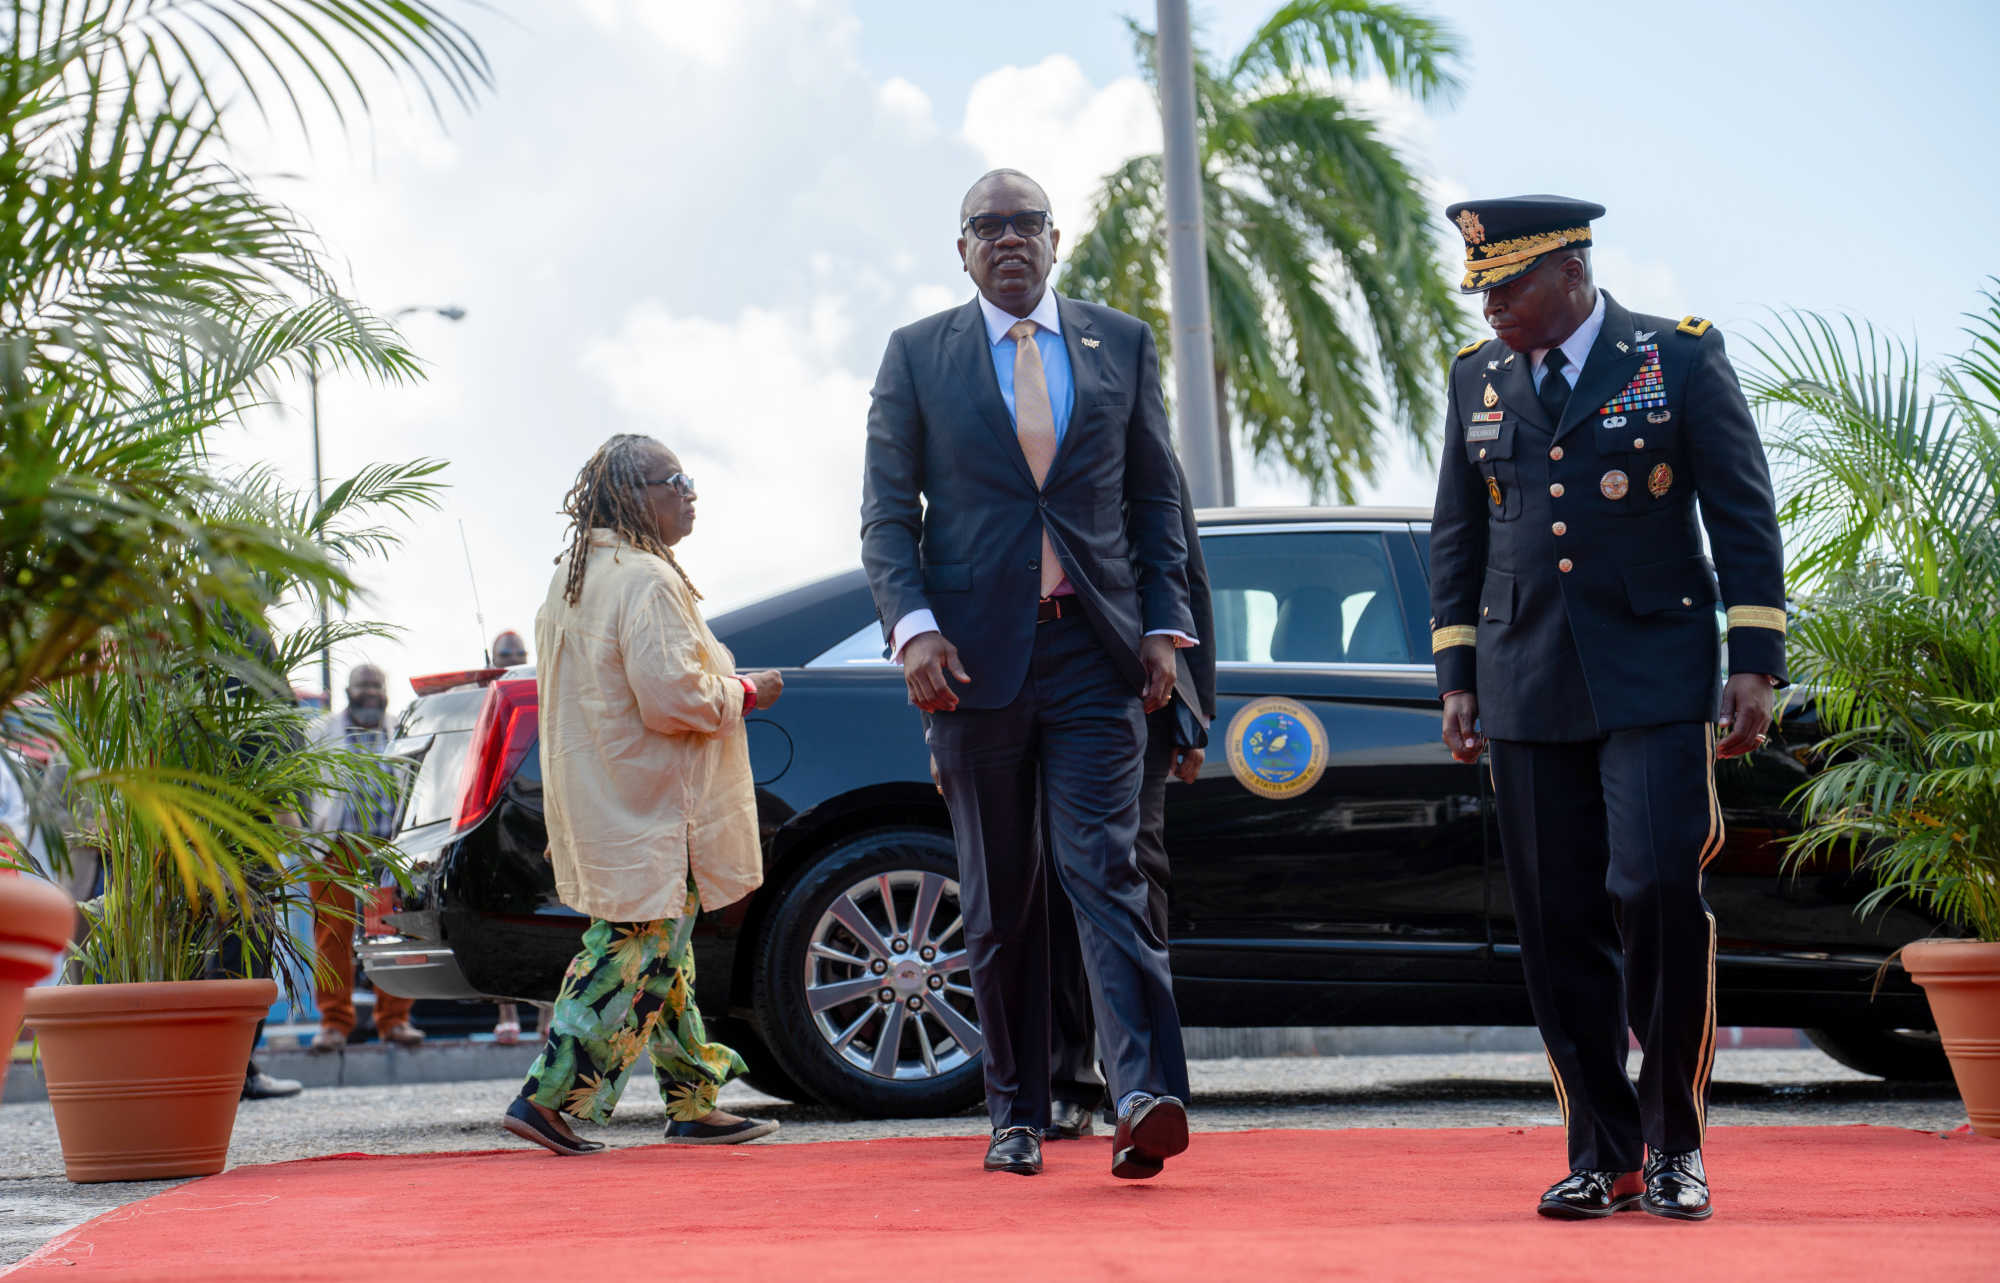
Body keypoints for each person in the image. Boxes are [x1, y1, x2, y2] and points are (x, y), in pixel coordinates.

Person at [1428, 195, 1786, 1222]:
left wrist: (1752, 658)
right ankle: (1604, 1150)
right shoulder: (1476, 377)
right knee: (1553, 920)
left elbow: (1739, 511)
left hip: (1650, 674)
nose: (1490, 306)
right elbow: (1459, 537)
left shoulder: (1672, 356)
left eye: (1507, 286)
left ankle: (1673, 1141)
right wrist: (1458, 675)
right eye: (1480, 289)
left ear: (1571, 271)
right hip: (1523, 679)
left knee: (1655, 892)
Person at [861, 168, 1197, 1180]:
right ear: (959, 248)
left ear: (1055, 240)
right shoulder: (918, 354)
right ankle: (1016, 1109)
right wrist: (913, 630)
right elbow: (886, 514)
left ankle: (1142, 1092)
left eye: (1026, 223)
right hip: (970, 665)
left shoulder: (1118, 344)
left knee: (1107, 870)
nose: (1008, 239)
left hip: (1095, 652)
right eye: (986, 225)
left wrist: (1164, 628)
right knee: (1001, 894)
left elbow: (1153, 503)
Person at [502, 434, 784, 1156]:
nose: (690, 491)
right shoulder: (645, 580)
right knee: (632, 946)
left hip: (612, 797)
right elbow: (672, 697)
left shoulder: (578, 572)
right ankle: (547, 1095)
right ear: (633, 496)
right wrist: (746, 691)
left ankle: (693, 1100)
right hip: (657, 805)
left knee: (667, 951)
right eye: (674, 479)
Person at [1046, 465, 1214, 1138]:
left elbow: (1185, 577)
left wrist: (1193, 710)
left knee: (1131, 874)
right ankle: (1067, 1082)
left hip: (1136, 693)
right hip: (1035, 686)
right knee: (1055, 883)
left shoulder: (1137, 436)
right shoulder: (1010, 431)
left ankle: (1140, 1087)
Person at [306, 664, 423, 1053]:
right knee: (332, 936)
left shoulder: (400, 730)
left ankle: (395, 1021)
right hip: (334, 847)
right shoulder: (322, 731)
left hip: (385, 850)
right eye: (363, 686)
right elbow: (300, 785)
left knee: (389, 933)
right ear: (348, 690)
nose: (370, 692)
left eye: (376, 685)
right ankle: (334, 1023)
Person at [487, 629, 532, 1044]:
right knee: (502, 920)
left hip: (532, 816)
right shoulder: (488, 697)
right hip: (496, 821)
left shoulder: (537, 690)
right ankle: (507, 1012)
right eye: (505, 654)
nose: (512, 659)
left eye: (518, 653)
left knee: (540, 912)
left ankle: (550, 1015)